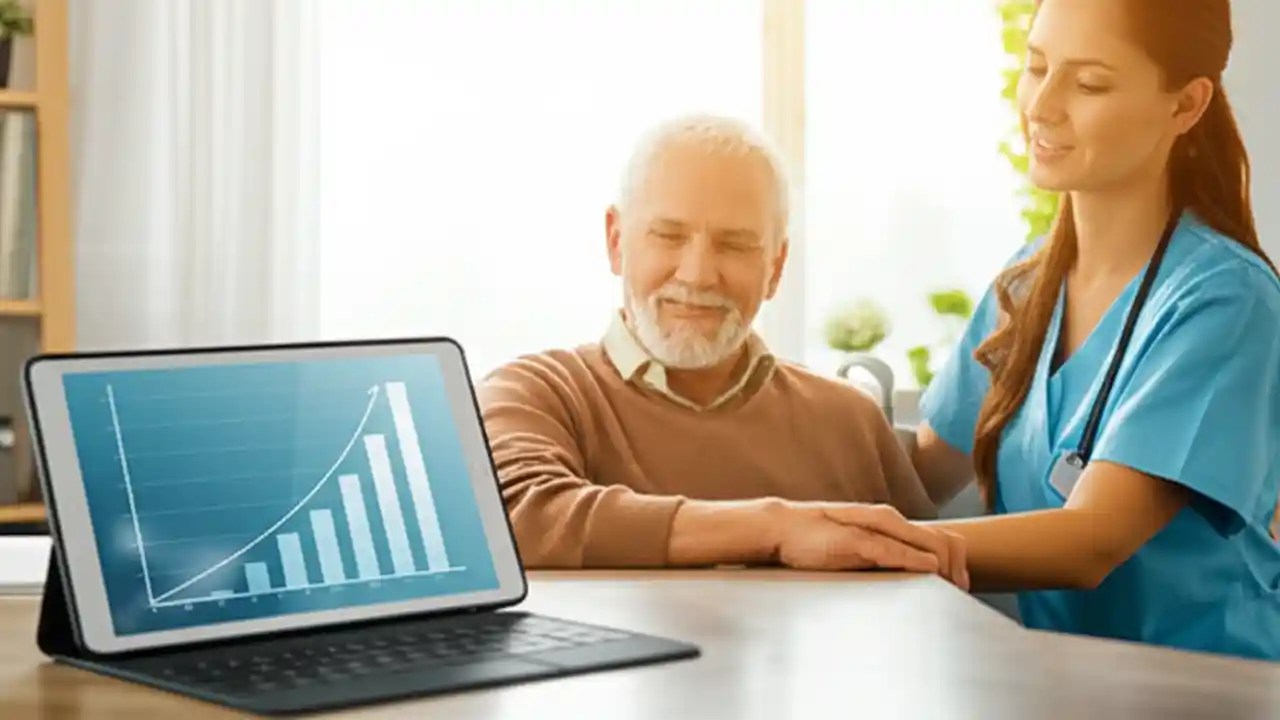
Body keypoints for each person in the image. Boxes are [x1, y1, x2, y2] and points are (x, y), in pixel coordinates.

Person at [911, 0, 1280, 659]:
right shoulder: (1025, 286)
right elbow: (914, 477)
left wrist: (864, 541)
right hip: (1066, 691)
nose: (1042, 105)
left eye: (1089, 84)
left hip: (1213, 696)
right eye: (1036, 66)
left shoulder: (1227, 300)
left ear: (1186, 106)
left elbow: (1090, 543)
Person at [477, 114, 967, 585]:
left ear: (776, 267)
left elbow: (928, 595)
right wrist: (776, 529)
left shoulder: (849, 422)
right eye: (668, 236)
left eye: (734, 245)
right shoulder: (538, 394)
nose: (696, 274)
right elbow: (509, 516)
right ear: (615, 240)